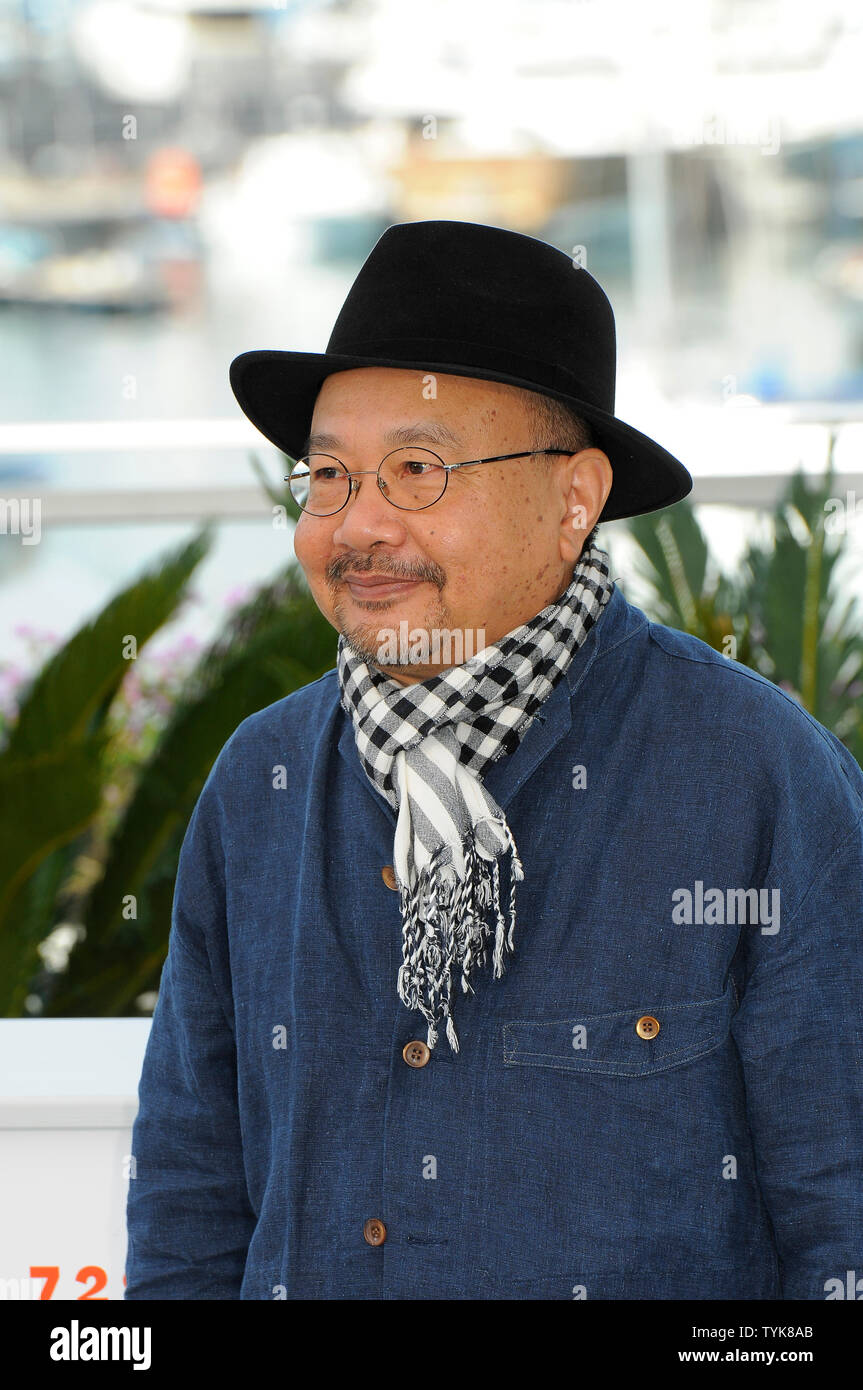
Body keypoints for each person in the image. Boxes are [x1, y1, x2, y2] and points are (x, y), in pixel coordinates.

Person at [124, 220, 863, 1300]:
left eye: (416, 470)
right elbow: (189, 1202)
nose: (355, 526)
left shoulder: (754, 779)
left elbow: (842, 1218)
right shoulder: (259, 782)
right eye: (326, 474)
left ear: (573, 501)